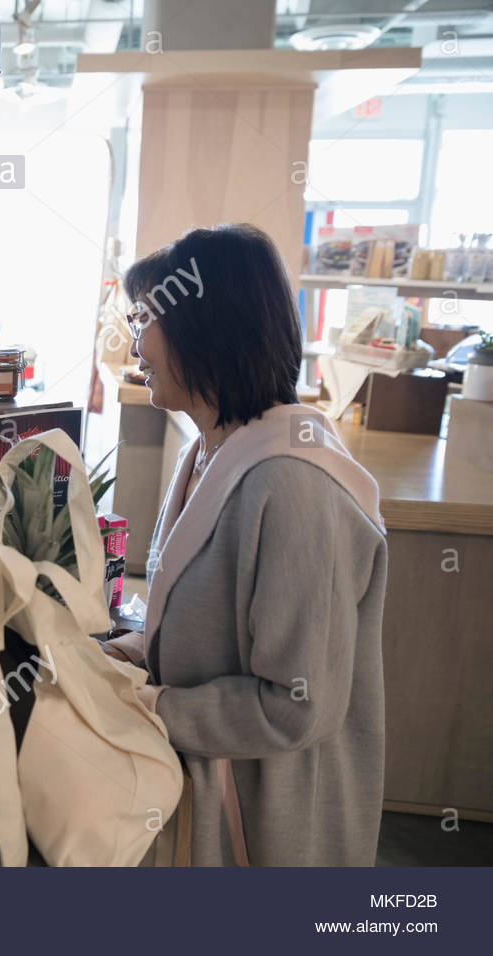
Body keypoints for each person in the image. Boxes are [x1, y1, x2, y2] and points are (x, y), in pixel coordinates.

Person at [104, 223, 388, 866]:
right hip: (209, 792)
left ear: (206, 330)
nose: (135, 342)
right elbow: (196, 629)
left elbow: (295, 707)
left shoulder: (292, 485)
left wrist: (148, 704)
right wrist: (116, 657)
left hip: (264, 820)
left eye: (143, 319)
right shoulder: (212, 449)